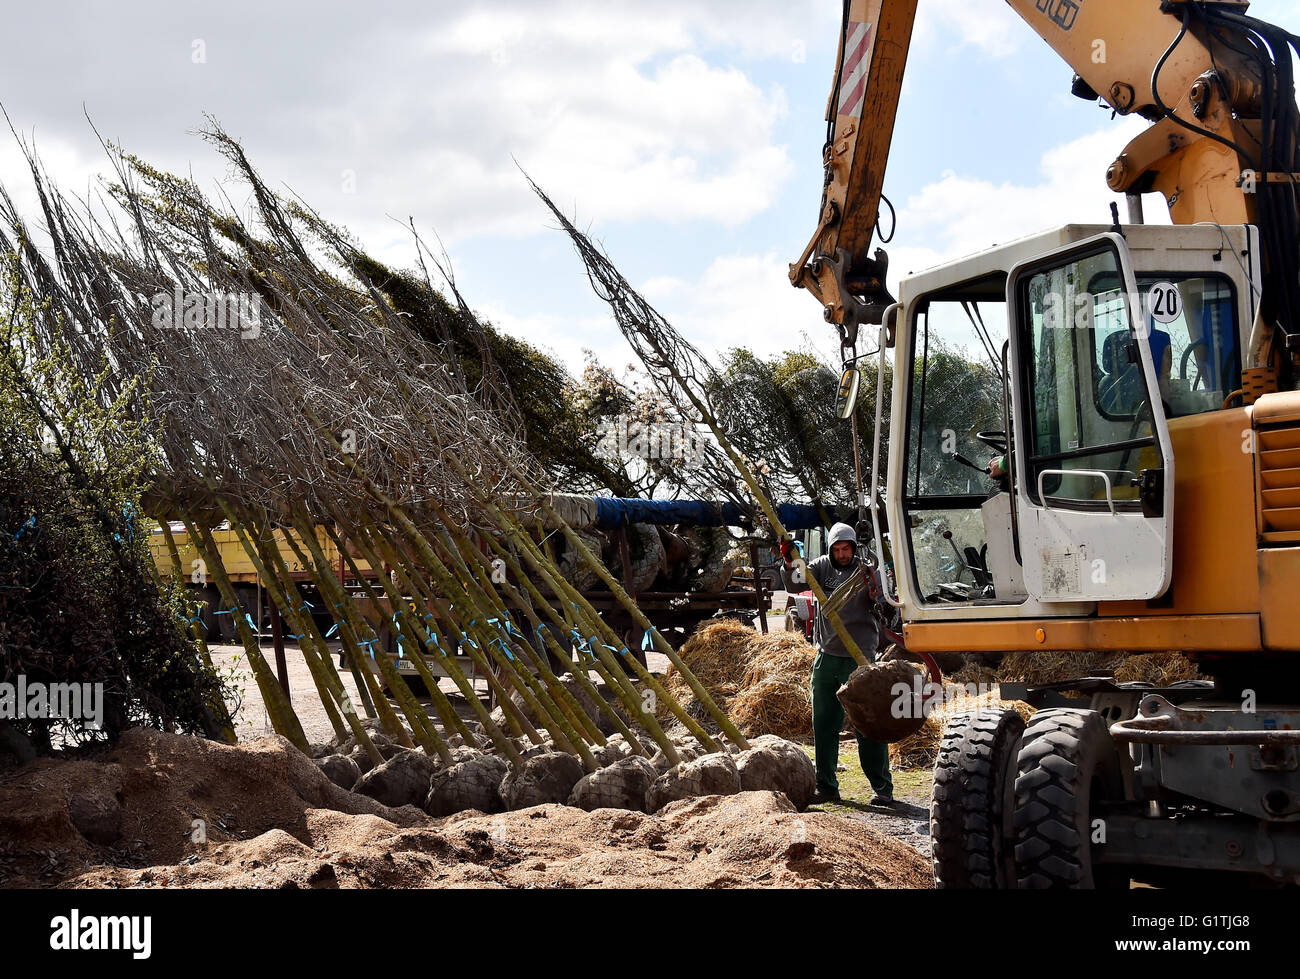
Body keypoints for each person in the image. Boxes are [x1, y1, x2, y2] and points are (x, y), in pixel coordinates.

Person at [780, 522, 894, 806]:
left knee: (868, 725)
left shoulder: (867, 570)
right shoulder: (820, 568)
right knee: (824, 722)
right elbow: (796, 580)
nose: (842, 554)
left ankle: (882, 788)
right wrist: (788, 558)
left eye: (847, 549)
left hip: (860, 658)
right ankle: (827, 786)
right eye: (837, 549)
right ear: (830, 550)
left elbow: (886, 606)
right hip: (827, 654)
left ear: (854, 548)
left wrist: (875, 595)